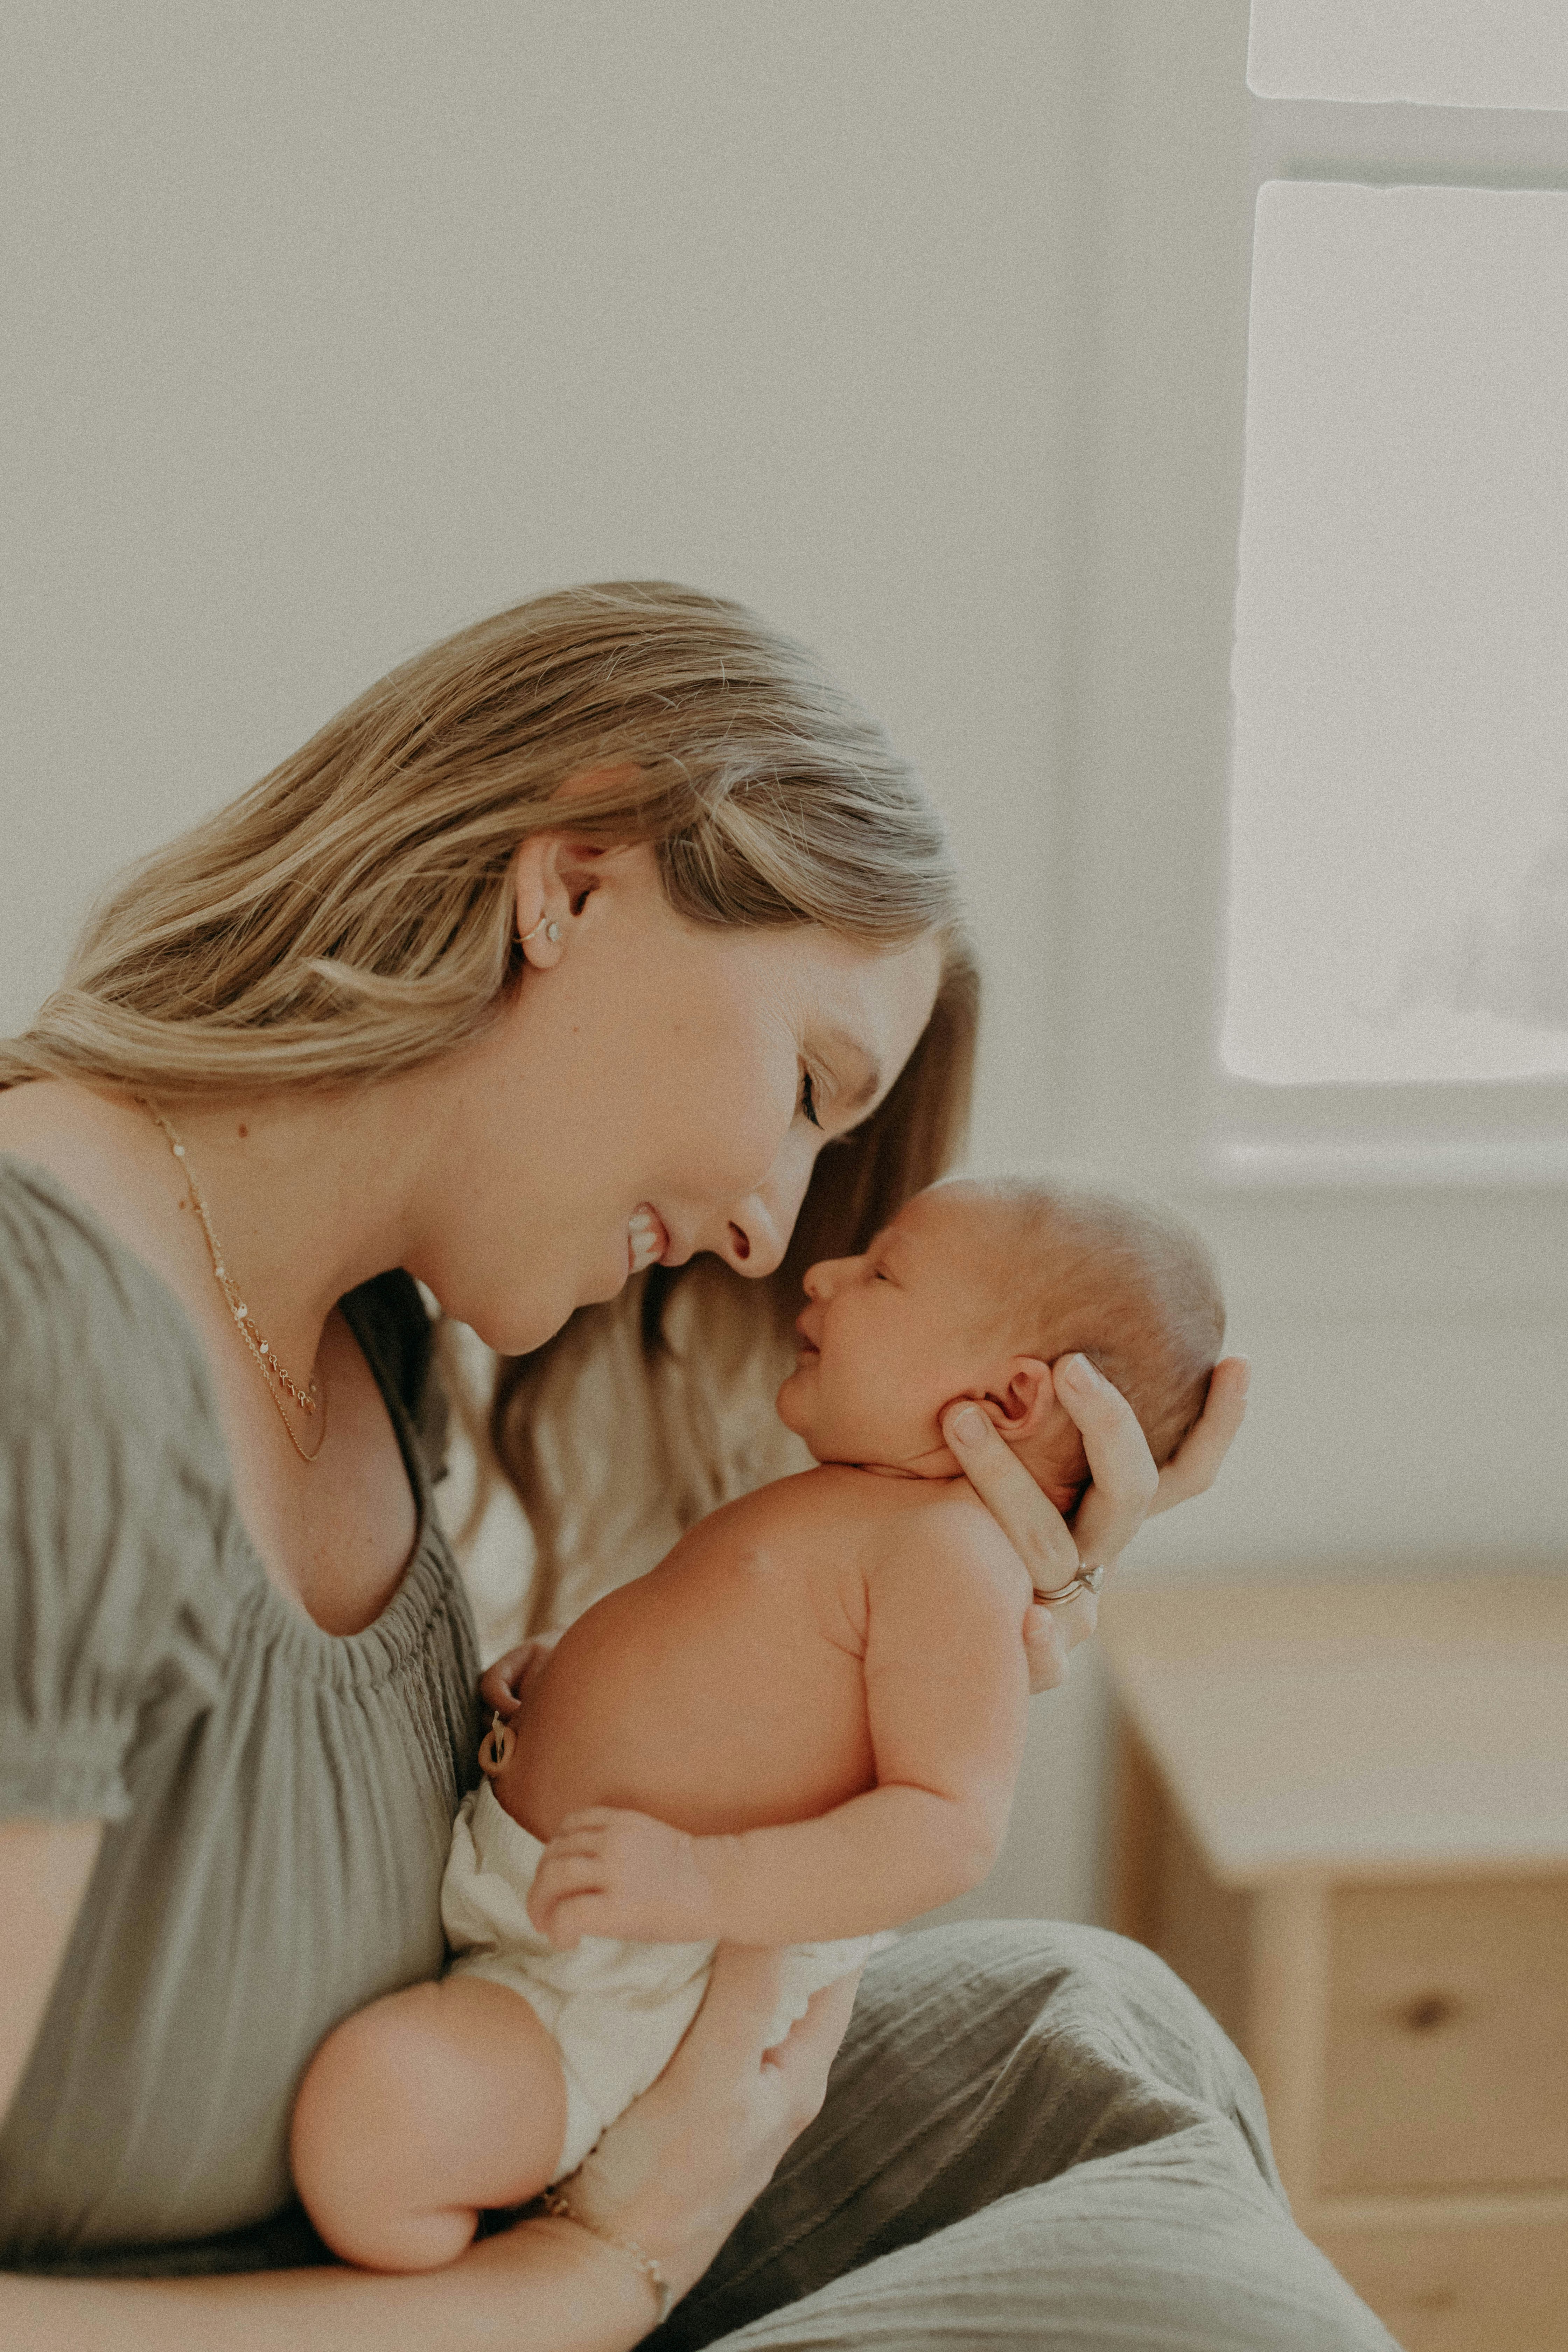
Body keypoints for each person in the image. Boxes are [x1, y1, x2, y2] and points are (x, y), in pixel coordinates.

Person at [0, 583, 1386, 2350]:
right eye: (810, 1086)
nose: (769, 1232)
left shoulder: (372, 1342)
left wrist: (955, 1565)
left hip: (420, 2191)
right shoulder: (44, 1333)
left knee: (1092, 2027)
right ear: (571, 887)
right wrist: (595, 2277)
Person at [291, 1174, 1227, 2272]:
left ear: (1012, 1400)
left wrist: (701, 1878)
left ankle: (499, 2262)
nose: (823, 1273)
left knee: (377, 2123)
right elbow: (733, 1680)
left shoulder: (951, 1558)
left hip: (626, 1972)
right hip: (556, 1896)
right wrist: (572, 1683)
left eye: (883, 1271)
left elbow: (947, 1824)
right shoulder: (862, 1505)